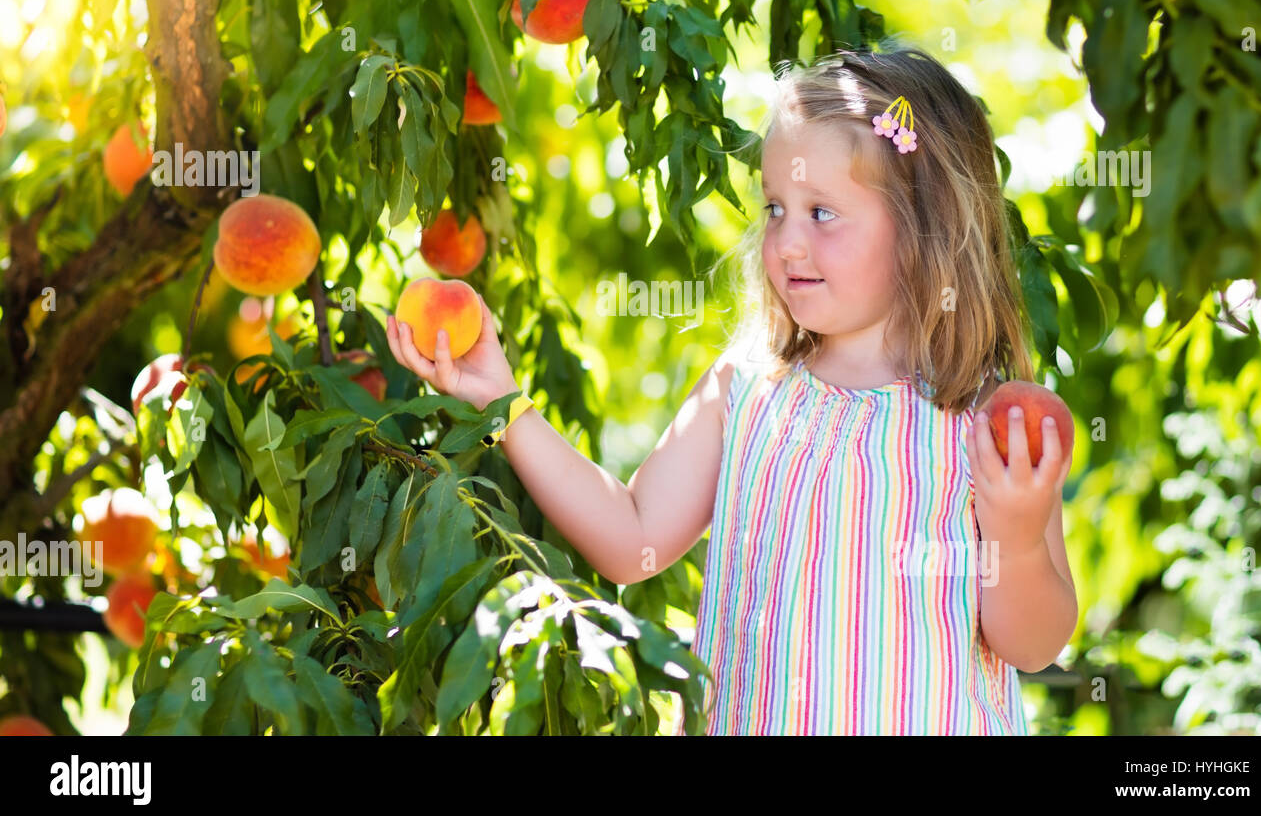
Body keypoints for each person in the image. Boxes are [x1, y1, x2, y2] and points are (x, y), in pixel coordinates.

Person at [385, 41, 1078, 735]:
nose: (788, 243)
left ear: (922, 226)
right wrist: (503, 404)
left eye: (822, 213)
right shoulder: (747, 392)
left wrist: (1017, 538)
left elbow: (1033, 644)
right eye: (776, 208)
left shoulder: (985, 422)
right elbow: (632, 542)